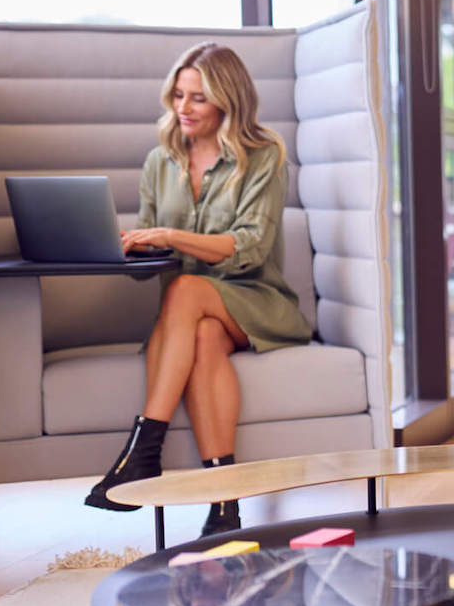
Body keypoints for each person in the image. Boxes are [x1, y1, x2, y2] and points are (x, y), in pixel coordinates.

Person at [84, 43, 310, 535]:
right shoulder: (159, 161)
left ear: (228, 102)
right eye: (177, 95)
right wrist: (132, 248)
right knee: (202, 333)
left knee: (186, 290)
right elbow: (153, 261)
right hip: (194, 317)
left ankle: (144, 451)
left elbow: (250, 247)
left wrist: (169, 236)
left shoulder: (263, 155)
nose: (182, 108)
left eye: (197, 99)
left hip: (257, 299)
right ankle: (225, 504)